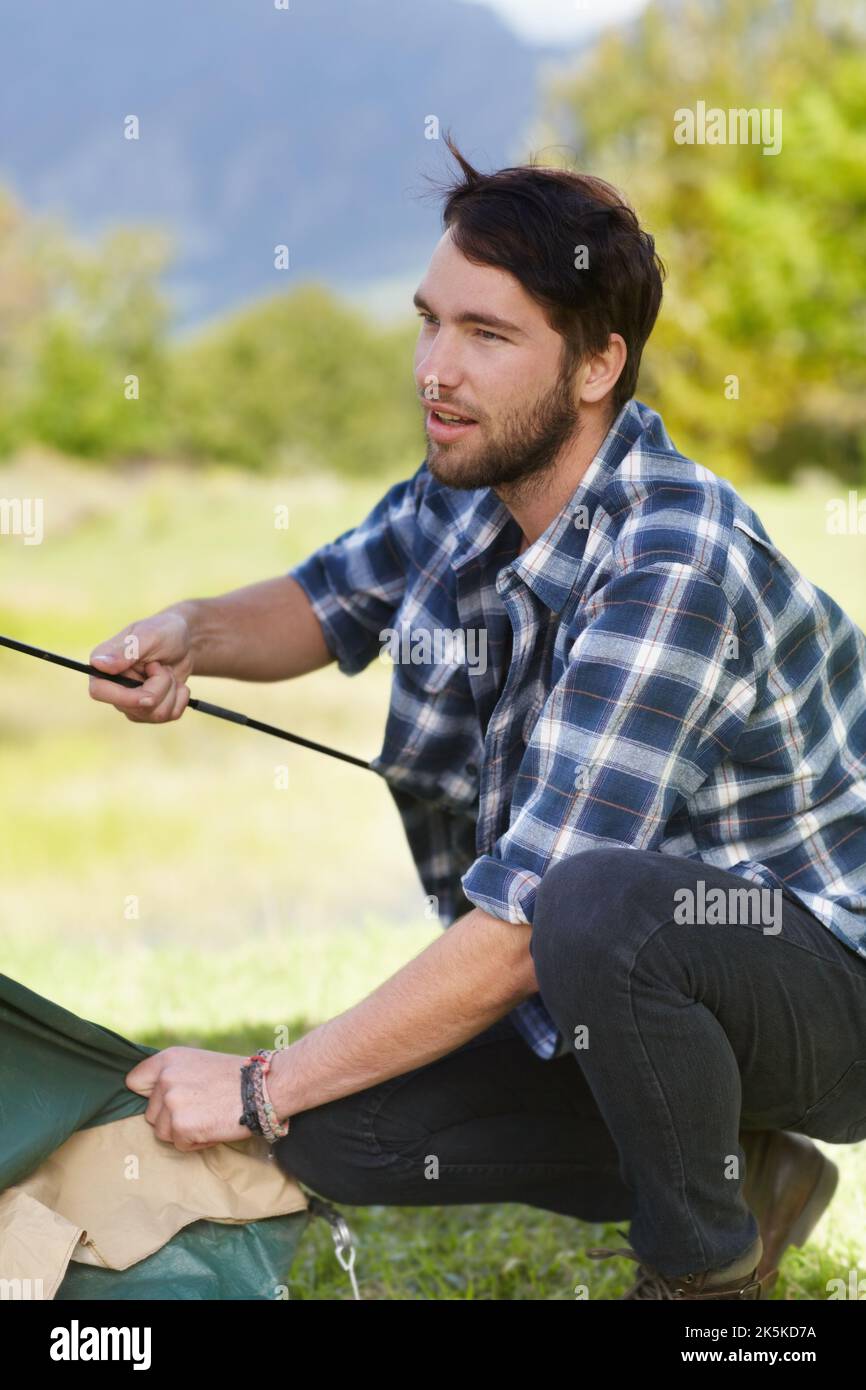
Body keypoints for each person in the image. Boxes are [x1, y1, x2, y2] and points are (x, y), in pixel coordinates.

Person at [88, 135, 866, 1301]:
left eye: (485, 335)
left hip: (825, 987)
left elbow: (520, 926)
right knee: (331, 1126)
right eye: (428, 321)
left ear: (597, 365)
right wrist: (190, 633)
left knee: (593, 903)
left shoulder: (670, 561)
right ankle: (738, 1166)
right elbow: (322, 602)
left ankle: (703, 1277)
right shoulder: (471, 486)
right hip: (632, 984)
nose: (433, 370)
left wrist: (257, 1080)